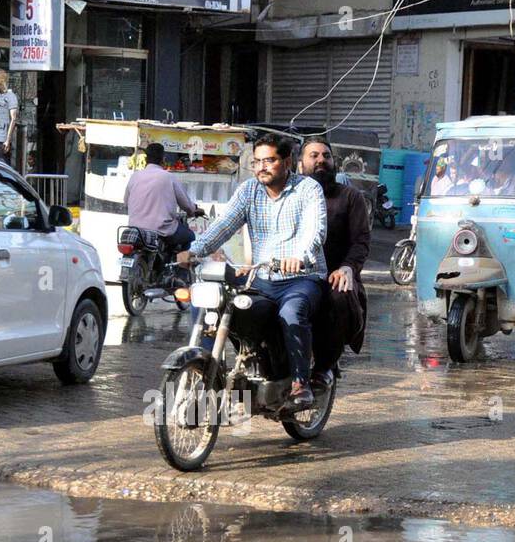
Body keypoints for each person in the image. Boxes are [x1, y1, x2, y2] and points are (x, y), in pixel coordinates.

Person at [178, 133, 327, 411]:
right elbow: (223, 225)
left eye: (269, 160)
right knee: (216, 305)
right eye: (256, 161)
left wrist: (300, 256)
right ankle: (209, 370)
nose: (261, 167)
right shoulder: (249, 191)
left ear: (287, 161)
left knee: (291, 313)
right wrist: (195, 251)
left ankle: (300, 383)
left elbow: (314, 230)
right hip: (262, 280)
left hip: (301, 279)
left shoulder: (308, 189)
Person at [298, 136, 369, 382]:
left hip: (334, 274)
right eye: (314, 156)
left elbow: (361, 241)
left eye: (326, 156)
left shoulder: (350, 197)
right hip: (292, 275)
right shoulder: (289, 197)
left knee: (338, 295)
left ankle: (326, 365)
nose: (321, 161)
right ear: (299, 164)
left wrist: (348, 268)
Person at [124, 142, 201, 252]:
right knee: (190, 236)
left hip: (135, 229)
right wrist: (194, 210)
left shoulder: (135, 176)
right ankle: (180, 267)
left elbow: (126, 203)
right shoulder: (169, 177)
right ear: (163, 160)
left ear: (146, 159)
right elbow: (186, 205)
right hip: (162, 230)